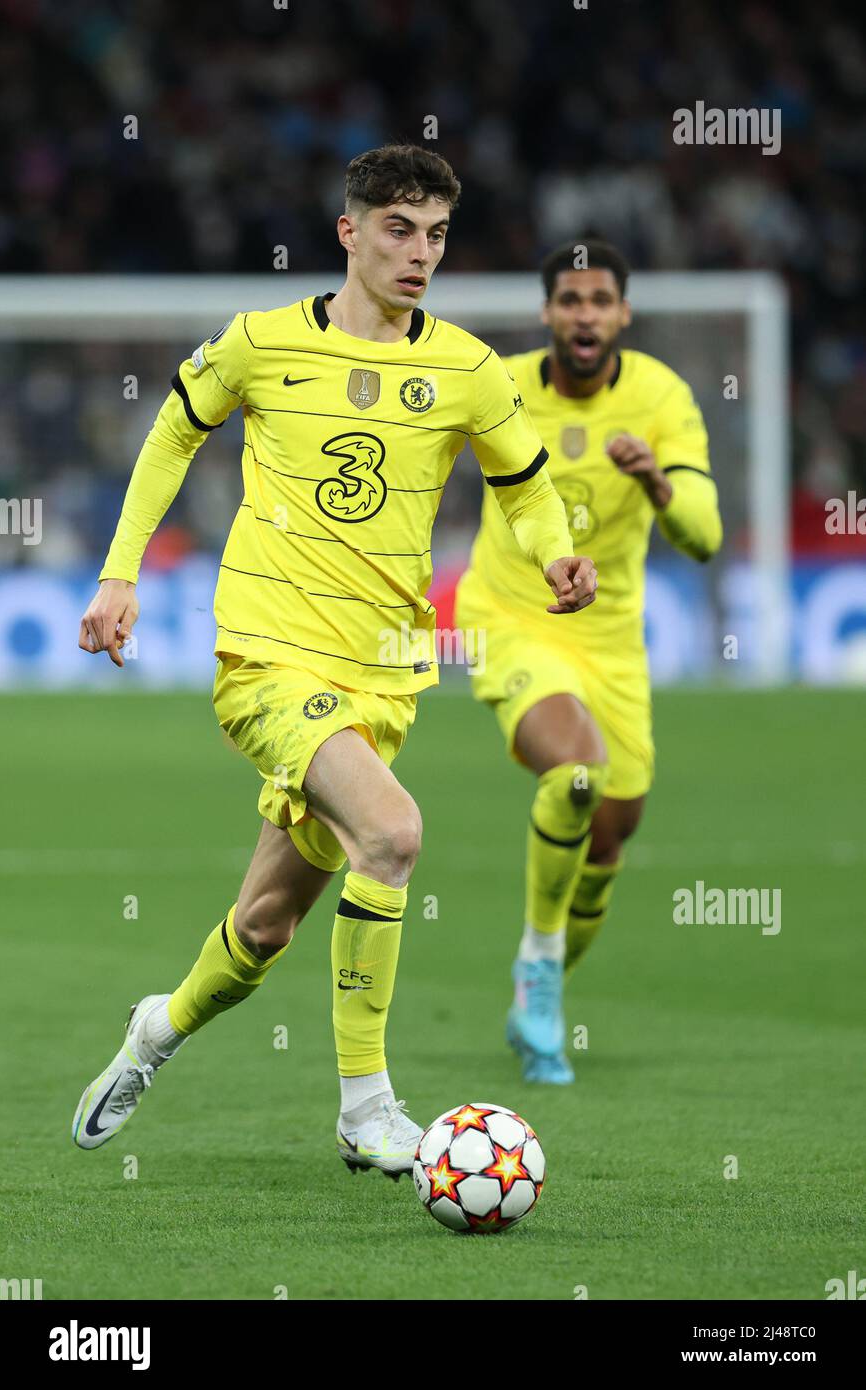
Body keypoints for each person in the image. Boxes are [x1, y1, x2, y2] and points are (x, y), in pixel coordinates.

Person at [71, 146, 597, 1175]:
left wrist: (559, 550)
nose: (420, 253)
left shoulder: (467, 370)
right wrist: (119, 571)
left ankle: (156, 1031)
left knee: (262, 929)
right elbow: (174, 434)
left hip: (386, 673)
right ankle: (368, 1108)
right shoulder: (261, 344)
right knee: (393, 832)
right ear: (349, 232)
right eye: (399, 229)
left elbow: (525, 484)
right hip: (267, 656)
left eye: (437, 233)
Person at [455, 237, 722, 1083]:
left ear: (622, 313)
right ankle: (538, 966)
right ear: (545, 313)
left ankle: (540, 983)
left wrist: (657, 484)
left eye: (598, 300)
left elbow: (706, 537)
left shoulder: (658, 396)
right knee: (576, 772)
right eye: (568, 299)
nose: (583, 314)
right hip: (510, 617)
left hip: (611, 642)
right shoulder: (497, 385)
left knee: (609, 838)